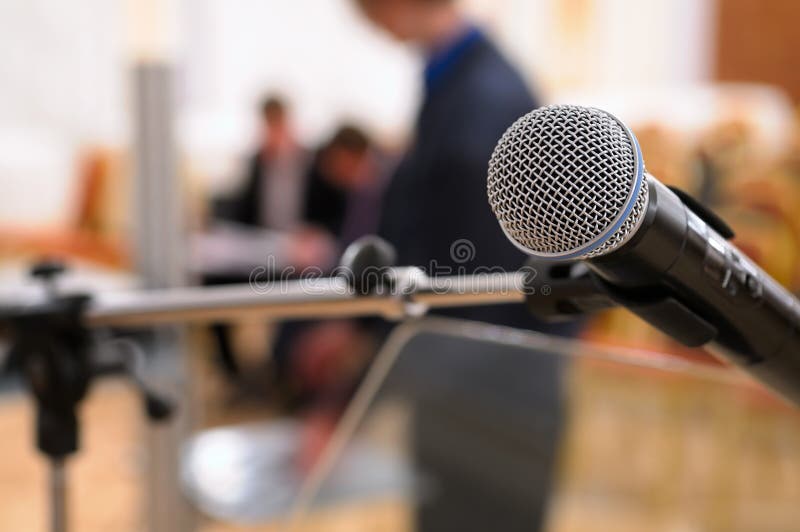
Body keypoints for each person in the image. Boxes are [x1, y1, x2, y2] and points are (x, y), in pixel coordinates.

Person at [354, 1, 576, 530]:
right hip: (471, 381)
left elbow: (464, 279)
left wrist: (358, 391)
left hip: (493, 391)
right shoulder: (458, 78)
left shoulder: (482, 99)